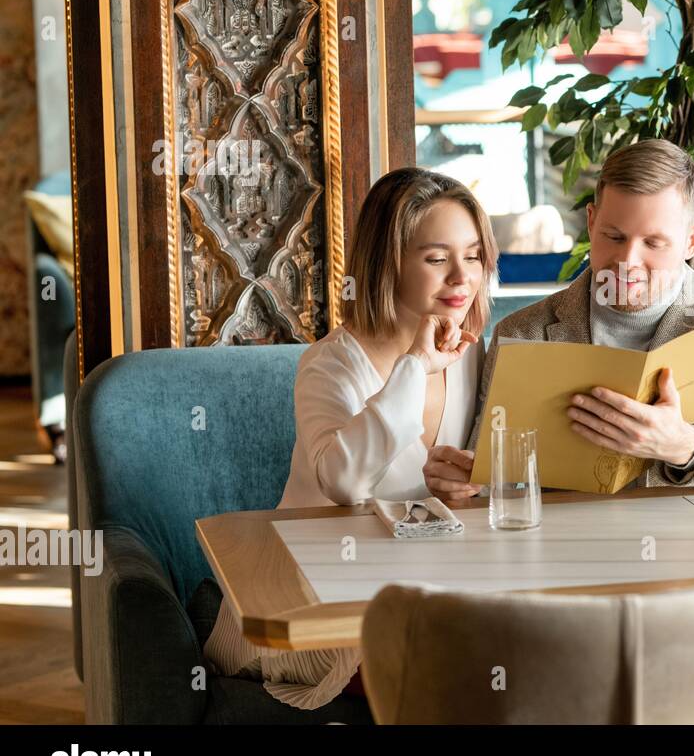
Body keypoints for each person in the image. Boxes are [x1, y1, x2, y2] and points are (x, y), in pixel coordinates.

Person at [202, 168, 499, 710]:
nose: (462, 277)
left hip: (421, 588)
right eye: (437, 259)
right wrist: (414, 365)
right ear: (388, 264)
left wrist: (465, 483)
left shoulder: (475, 354)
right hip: (319, 604)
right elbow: (344, 482)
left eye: (474, 255)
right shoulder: (330, 366)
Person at [422, 138, 694, 498]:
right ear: (591, 223)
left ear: (692, 241)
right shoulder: (522, 333)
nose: (628, 260)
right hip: (567, 545)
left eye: (653, 243)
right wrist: (462, 481)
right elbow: (487, 476)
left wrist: (684, 445)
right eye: (614, 236)